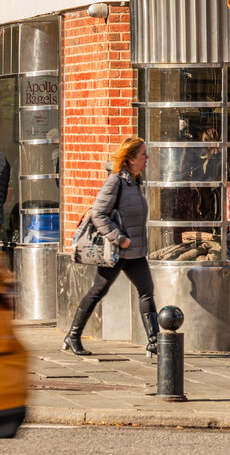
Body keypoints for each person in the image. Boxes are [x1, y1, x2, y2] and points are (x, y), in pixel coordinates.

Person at [62, 137, 157, 358]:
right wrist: (118, 238)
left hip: (134, 251)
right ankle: (72, 336)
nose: (147, 158)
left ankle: (154, 342)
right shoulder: (116, 181)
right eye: (143, 154)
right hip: (117, 250)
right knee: (98, 291)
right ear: (131, 159)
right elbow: (98, 213)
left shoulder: (134, 181)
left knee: (146, 290)